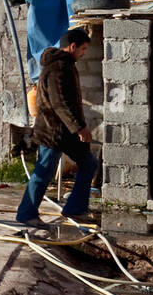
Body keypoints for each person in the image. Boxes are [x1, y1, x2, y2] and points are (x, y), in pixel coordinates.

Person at [16, 27, 98, 227]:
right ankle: (26, 213)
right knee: (44, 171)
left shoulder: (66, 65)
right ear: (72, 46)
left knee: (88, 163)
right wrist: (79, 128)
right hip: (53, 131)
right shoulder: (58, 67)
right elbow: (59, 103)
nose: (84, 53)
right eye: (83, 49)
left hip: (66, 132)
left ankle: (75, 209)